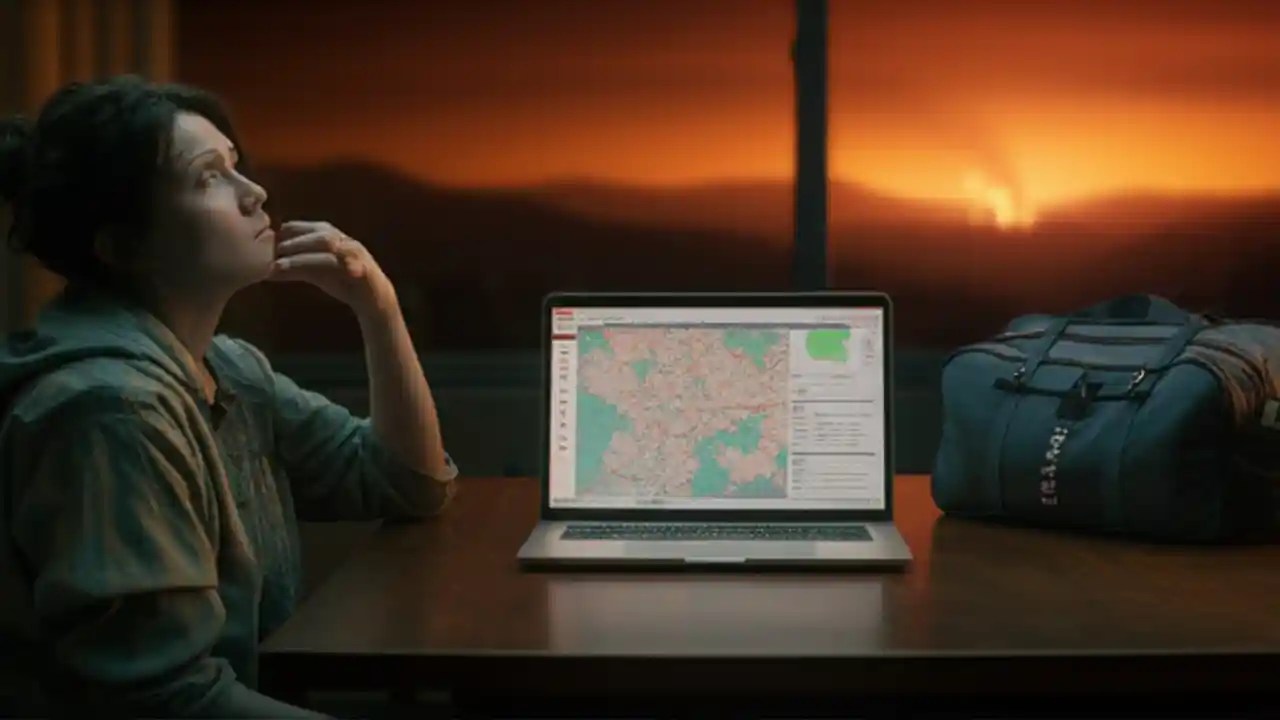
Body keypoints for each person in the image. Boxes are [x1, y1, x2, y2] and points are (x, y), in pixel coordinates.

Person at [0, 75, 458, 718]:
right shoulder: (109, 412)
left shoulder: (228, 368)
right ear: (123, 244)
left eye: (236, 166)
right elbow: (166, 702)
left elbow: (405, 483)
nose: (255, 194)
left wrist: (376, 307)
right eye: (208, 176)